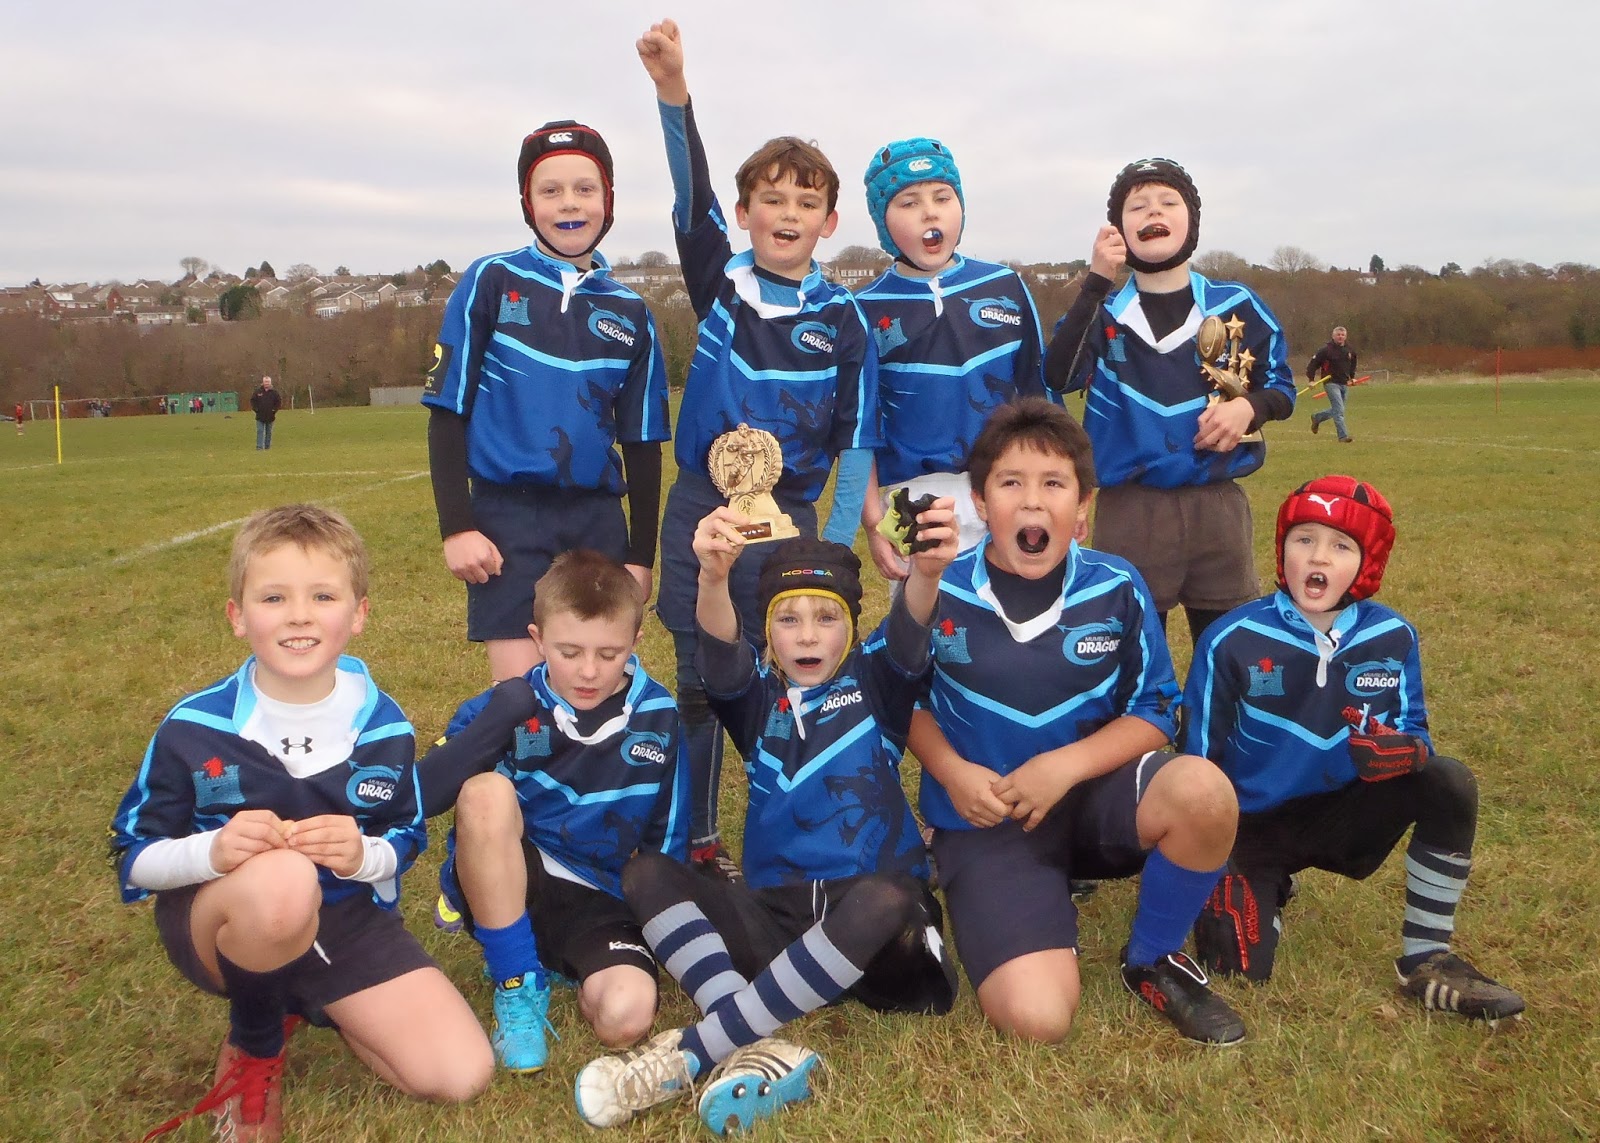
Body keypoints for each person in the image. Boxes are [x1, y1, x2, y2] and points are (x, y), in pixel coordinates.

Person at [110, 505, 493, 1143]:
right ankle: (255, 1046)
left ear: (359, 613)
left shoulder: (385, 726)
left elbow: (404, 838)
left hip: (345, 923)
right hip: (224, 921)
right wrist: (213, 852)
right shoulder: (194, 726)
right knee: (283, 881)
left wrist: (361, 855)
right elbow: (132, 854)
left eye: (322, 596)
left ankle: (303, 997)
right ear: (237, 615)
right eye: (273, 597)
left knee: (460, 1074)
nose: (298, 615)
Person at [574, 508, 961, 1134]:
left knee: (889, 898)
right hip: (780, 922)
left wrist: (927, 572)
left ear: (852, 626)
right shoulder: (758, 702)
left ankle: (696, 1051)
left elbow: (912, 623)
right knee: (647, 873)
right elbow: (721, 650)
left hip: (878, 936)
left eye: (826, 618)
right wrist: (712, 576)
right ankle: (753, 1037)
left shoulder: (877, 681)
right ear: (768, 632)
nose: (807, 636)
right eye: (788, 619)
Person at [908, 398, 1246, 1046]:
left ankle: (1153, 958)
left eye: (1054, 484)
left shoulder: (1116, 586)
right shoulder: (938, 587)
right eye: (1011, 483)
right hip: (991, 815)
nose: (1033, 502)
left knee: (1204, 791)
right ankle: (1008, 893)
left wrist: (1063, 766)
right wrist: (951, 773)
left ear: (1084, 507)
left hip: (1093, 801)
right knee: (1037, 1019)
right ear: (980, 502)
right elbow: (900, 699)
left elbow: (1155, 708)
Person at [636, 19, 880, 880]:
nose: (788, 214)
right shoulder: (720, 283)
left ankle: (805, 834)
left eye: (806, 202)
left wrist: (836, 542)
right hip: (702, 511)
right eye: (771, 200)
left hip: (792, 522)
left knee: (798, 680)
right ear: (745, 215)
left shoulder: (845, 320)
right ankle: (699, 843)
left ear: (829, 220)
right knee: (698, 680)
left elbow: (857, 440)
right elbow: (689, 189)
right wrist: (674, 92)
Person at [1182, 475, 1525, 1021]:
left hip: (1340, 814)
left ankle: (1428, 958)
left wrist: (1406, 751)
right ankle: (1266, 885)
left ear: (1368, 562)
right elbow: (1195, 762)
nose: (1318, 557)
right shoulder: (1230, 637)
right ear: (1282, 548)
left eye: (1341, 546)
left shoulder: (1393, 636)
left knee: (1447, 780)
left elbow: (1416, 732)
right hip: (1251, 826)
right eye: (1304, 539)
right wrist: (1205, 856)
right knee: (1237, 969)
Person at [422, 119, 671, 685]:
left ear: (608, 200)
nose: (570, 203)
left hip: (597, 519)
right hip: (507, 519)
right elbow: (447, 411)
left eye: (585, 188)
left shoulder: (631, 311)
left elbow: (642, 443)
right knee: (520, 698)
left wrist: (640, 555)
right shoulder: (491, 280)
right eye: (550, 190)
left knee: (597, 685)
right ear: (527, 203)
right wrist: (456, 527)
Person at [427, 550, 689, 1076]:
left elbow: (667, 838)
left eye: (609, 653)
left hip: (598, 895)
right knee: (485, 793)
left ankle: (554, 959)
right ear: (538, 639)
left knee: (626, 1016)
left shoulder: (660, 717)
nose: (588, 671)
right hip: (512, 878)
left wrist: (668, 919)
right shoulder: (505, 705)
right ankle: (516, 978)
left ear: (636, 642)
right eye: (569, 652)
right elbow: (430, 790)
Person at [1045, 158, 1296, 648]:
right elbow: (1058, 374)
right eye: (1137, 206)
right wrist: (1095, 283)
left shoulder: (1235, 305)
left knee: (1229, 649)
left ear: (1192, 221)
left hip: (1217, 504)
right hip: (1130, 508)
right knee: (1133, 652)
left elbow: (1281, 387)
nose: (1153, 212)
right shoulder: (1105, 312)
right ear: (1118, 229)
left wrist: (1248, 408)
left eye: (1167, 202)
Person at [856, 137, 1051, 575]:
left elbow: (1042, 400)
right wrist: (872, 522)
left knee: (1018, 606)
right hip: (914, 497)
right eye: (909, 202)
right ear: (883, 222)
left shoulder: (1005, 285)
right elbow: (858, 427)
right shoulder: (863, 308)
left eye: (942, 197)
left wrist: (1061, 494)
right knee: (927, 614)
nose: (930, 212)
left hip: (1009, 487)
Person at [1307, 326, 1358, 443]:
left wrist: (1352, 378)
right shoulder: (1326, 350)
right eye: (1338, 335)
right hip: (1331, 383)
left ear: (1345, 336)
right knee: (1339, 410)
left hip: (1344, 383)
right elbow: (1312, 365)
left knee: (1338, 409)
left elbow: (1352, 365)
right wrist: (1311, 380)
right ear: (1333, 336)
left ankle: (1317, 417)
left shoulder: (1350, 350)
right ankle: (1343, 436)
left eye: (1342, 335)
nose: (1340, 337)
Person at [250, 376, 281, 450]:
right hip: (260, 416)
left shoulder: (274, 393)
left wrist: (274, 410)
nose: (267, 383)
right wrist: (256, 409)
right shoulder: (258, 392)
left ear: (270, 382)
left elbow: (278, 402)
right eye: (265, 382)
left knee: (269, 432)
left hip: (270, 416)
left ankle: (267, 446)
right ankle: (259, 447)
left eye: (268, 382)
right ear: (263, 382)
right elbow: (253, 401)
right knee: (260, 431)